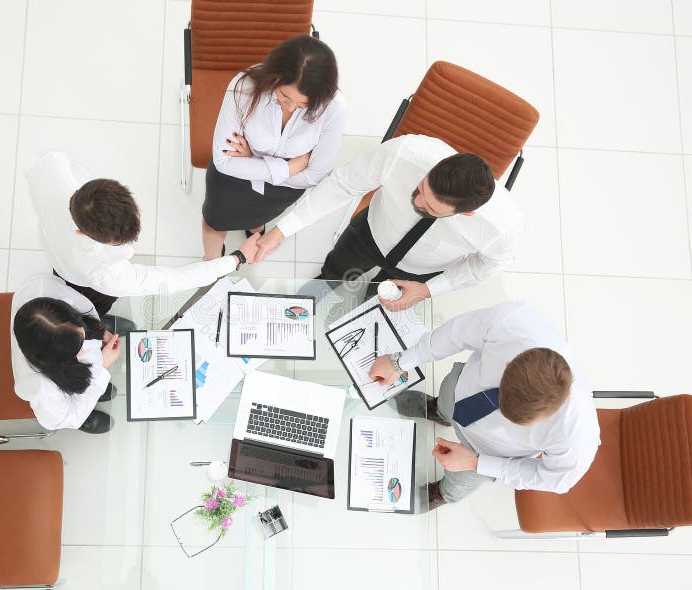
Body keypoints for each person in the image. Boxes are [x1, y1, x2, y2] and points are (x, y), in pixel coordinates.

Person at [368, 301, 600, 510]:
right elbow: (454, 334)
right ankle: (437, 410)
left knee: (456, 485)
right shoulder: (512, 323)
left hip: (489, 453)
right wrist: (401, 363)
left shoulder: (577, 435)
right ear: (509, 365)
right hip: (460, 393)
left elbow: (555, 480)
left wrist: (477, 463)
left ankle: (440, 493)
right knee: (445, 403)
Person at [256, 134, 522, 305]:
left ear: (466, 213)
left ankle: (370, 305)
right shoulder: (404, 153)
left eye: (429, 207)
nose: (417, 202)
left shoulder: (501, 227)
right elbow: (342, 185)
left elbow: (487, 265)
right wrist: (281, 231)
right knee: (334, 271)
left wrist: (428, 290)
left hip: (417, 270)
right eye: (420, 189)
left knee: (379, 301)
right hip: (370, 233)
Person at [26, 151, 260, 326]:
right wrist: (238, 258)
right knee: (88, 312)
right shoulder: (105, 274)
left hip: (55, 249)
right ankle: (92, 325)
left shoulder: (54, 167)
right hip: (82, 283)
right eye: (118, 243)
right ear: (82, 233)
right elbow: (172, 280)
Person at [201, 34, 345, 260]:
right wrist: (289, 168)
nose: (292, 107)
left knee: (258, 218)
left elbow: (315, 176)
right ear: (273, 78)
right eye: (284, 97)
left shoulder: (333, 107)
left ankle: (254, 224)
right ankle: (211, 260)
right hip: (233, 179)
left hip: (280, 190)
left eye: (304, 104)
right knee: (215, 219)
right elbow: (224, 161)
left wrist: (252, 160)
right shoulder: (244, 86)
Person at [11, 274, 121, 434]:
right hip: (69, 402)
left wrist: (99, 331)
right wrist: (100, 369)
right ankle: (87, 409)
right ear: (53, 360)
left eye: (79, 329)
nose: (83, 350)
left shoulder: (42, 288)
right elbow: (68, 417)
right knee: (81, 403)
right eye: (77, 349)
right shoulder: (43, 390)